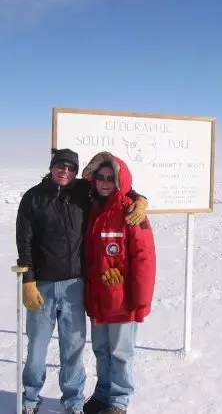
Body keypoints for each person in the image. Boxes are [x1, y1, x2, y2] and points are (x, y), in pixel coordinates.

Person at [16, 148, 148, 414]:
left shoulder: (82, 194)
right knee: (37, 345)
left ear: (77, 172)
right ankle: (30, 396)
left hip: (75, 285)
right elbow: (24, 242)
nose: (65, 171)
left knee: (74, 347)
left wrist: (140, 199)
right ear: (52, 167)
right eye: (60, 166)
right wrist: (28, 280)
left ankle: (74, 400)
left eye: (71, 167)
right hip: (41, 284)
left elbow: (119, 188)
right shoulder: (34, 197)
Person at [81, 151, 156, 414]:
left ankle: (119, 400)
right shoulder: (90, 207)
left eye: (110, 178)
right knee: (101, 350)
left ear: (119, 180)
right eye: (100, 177)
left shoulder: (131, 211)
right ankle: (102, 394)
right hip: (98, 297)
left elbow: (144, 258)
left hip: (122, 299)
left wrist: (140, 301)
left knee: (121, 353)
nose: (104, 182)